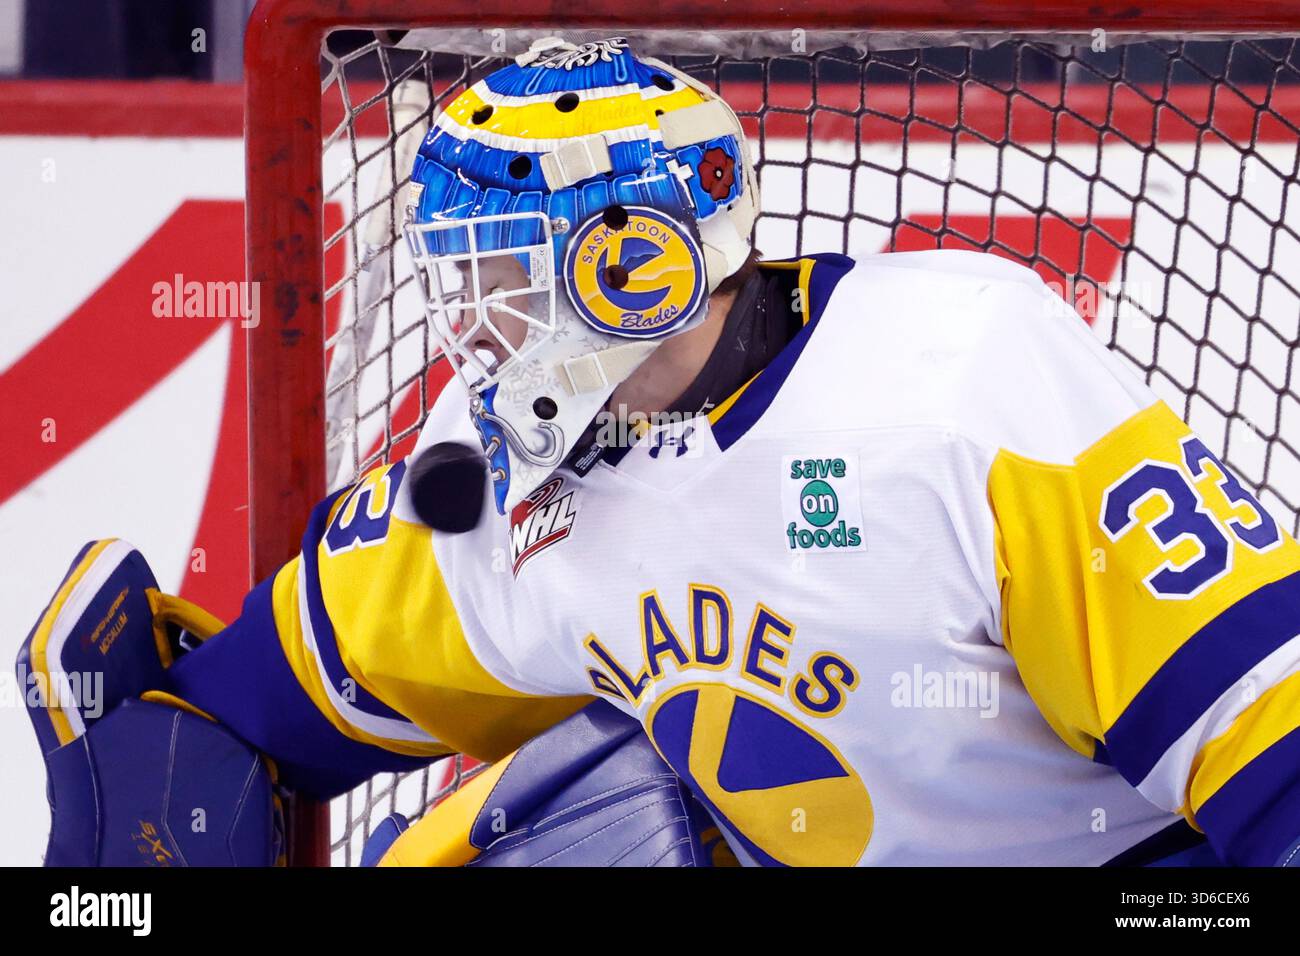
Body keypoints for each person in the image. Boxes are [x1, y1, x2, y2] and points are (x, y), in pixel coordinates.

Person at [21, 36, 1300, 867]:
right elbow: (275, 692)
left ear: (635, 264)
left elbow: (1275, 762)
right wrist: (161, 789)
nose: (474, 330)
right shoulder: (509, 467)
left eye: (506, 282)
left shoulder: (960, 386)